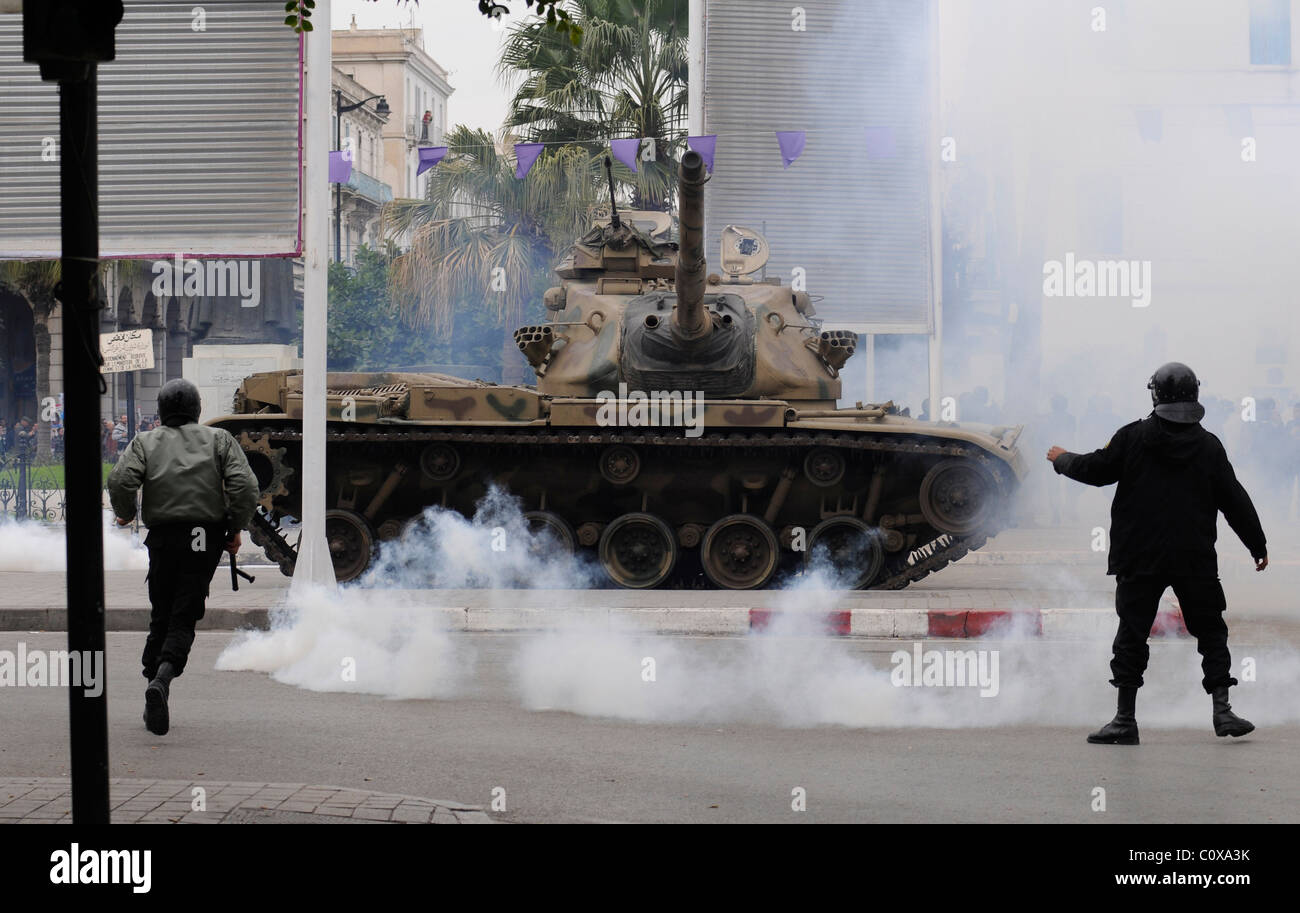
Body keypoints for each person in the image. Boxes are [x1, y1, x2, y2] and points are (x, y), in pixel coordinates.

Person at [1046, 362, 1266, 745]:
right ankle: (1222, 710)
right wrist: (1257, 544)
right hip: (1193, 558)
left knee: (1132, 634)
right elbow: (1234, 499)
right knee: (1211, 631)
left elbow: (1096, 469)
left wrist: (1062, 459)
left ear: (1155, 395)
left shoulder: (1132, 437)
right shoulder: (1209, 445)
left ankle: (1124, 720)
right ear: (1194, 395)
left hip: (1140, 557)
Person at [107, 379, 258, 737]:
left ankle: (152, 686)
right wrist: (235, 527)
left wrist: (126, 513)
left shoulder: (145, 441)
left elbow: (120, 481)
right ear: (197, 409)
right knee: (183, 616)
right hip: (203, 539)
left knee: (160, 615)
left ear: (160, 411)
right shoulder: (218, 439)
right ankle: (162, 679)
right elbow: (246, 486)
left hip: (162, 539)